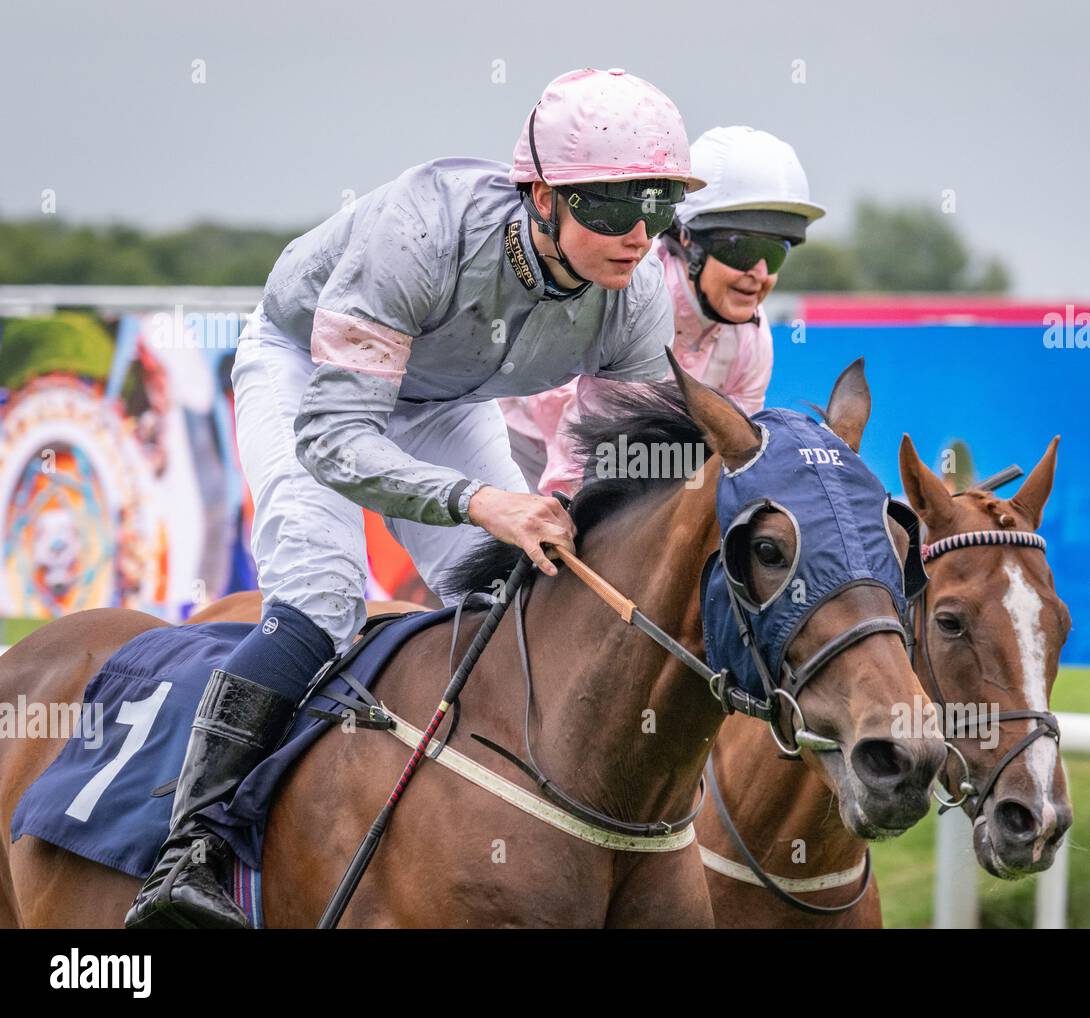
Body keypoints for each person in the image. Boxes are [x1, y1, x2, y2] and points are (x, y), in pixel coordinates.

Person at [125, 68, 705, 929]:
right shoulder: (423, 232)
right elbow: (334, 438)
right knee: (323, 600)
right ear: (541, 198)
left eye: (653, 208)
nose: (635, 236)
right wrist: (482, 503)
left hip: (445, 400)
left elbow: (628, 472)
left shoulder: (636, 298)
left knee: (521, 601)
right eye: (612, 208)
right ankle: (190, 849)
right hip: (311, 379)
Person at [501, 125, 824, 496]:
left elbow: (731, 461)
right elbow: (577, 452)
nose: (761, 274)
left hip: (626, 461)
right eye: (743, 251)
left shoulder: (754, 341)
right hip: (517, 453)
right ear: (686, 239)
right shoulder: (630, 299)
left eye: (775, 254)